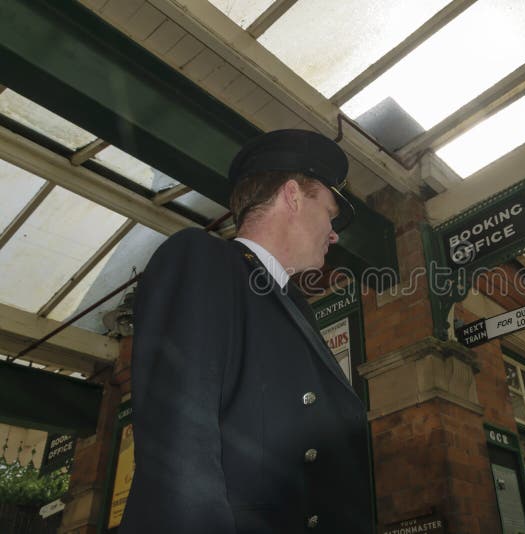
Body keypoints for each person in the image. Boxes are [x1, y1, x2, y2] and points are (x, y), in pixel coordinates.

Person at [120, 130, 373, 533]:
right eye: (328, 212)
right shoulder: (203, 261)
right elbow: (180, 453)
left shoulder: (290, 306)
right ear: (292, 195)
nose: (333, 232)